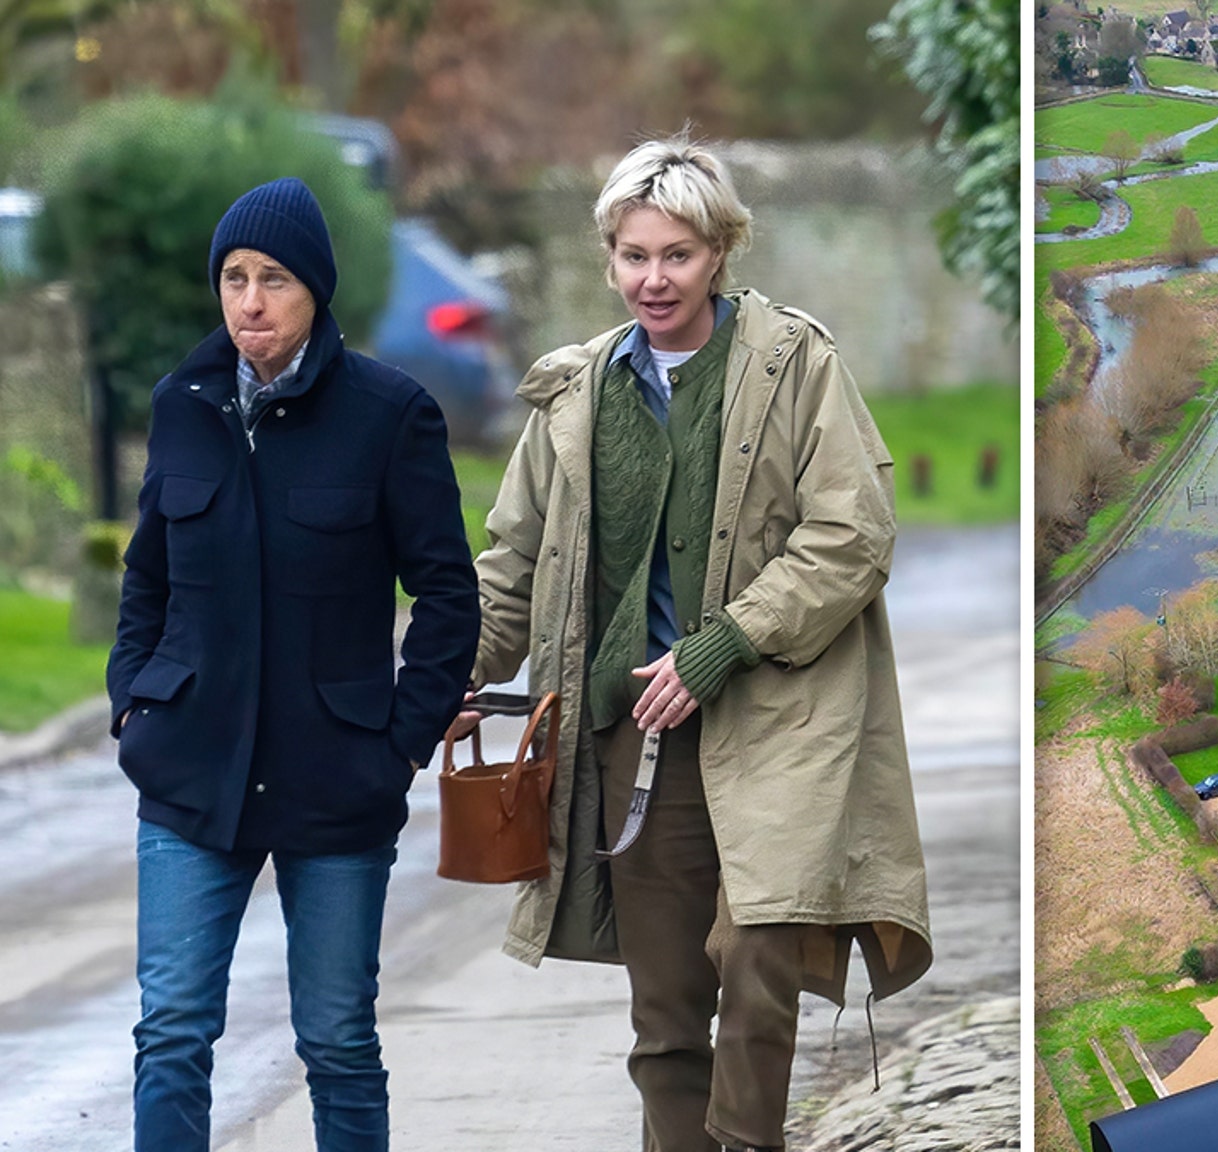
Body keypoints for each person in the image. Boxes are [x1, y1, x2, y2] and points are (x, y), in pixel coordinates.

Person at [458, 132, 931, 1152]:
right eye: (634, 255)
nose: (653, 278)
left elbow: (852, 534)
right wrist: (450, 675)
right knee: (665, 1012)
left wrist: (721, 646)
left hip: (780, 720)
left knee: (762, 961)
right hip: (633, 741)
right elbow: (511, 560)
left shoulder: (792, 363)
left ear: (721, 252)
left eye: (676, 254)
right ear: (609, 258)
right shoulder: (571, 396)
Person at [107, 177, 480, 1152]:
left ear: (314, 287)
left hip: (338, 782)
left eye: (272, 278)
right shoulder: (182, 405)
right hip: (189, 774)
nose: (250, 301)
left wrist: (400, 741)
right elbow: (145, 576)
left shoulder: (391, 416)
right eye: (233, 277)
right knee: (172, 1034)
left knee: (337, 1041)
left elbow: (446, 595)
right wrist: (130, 705)